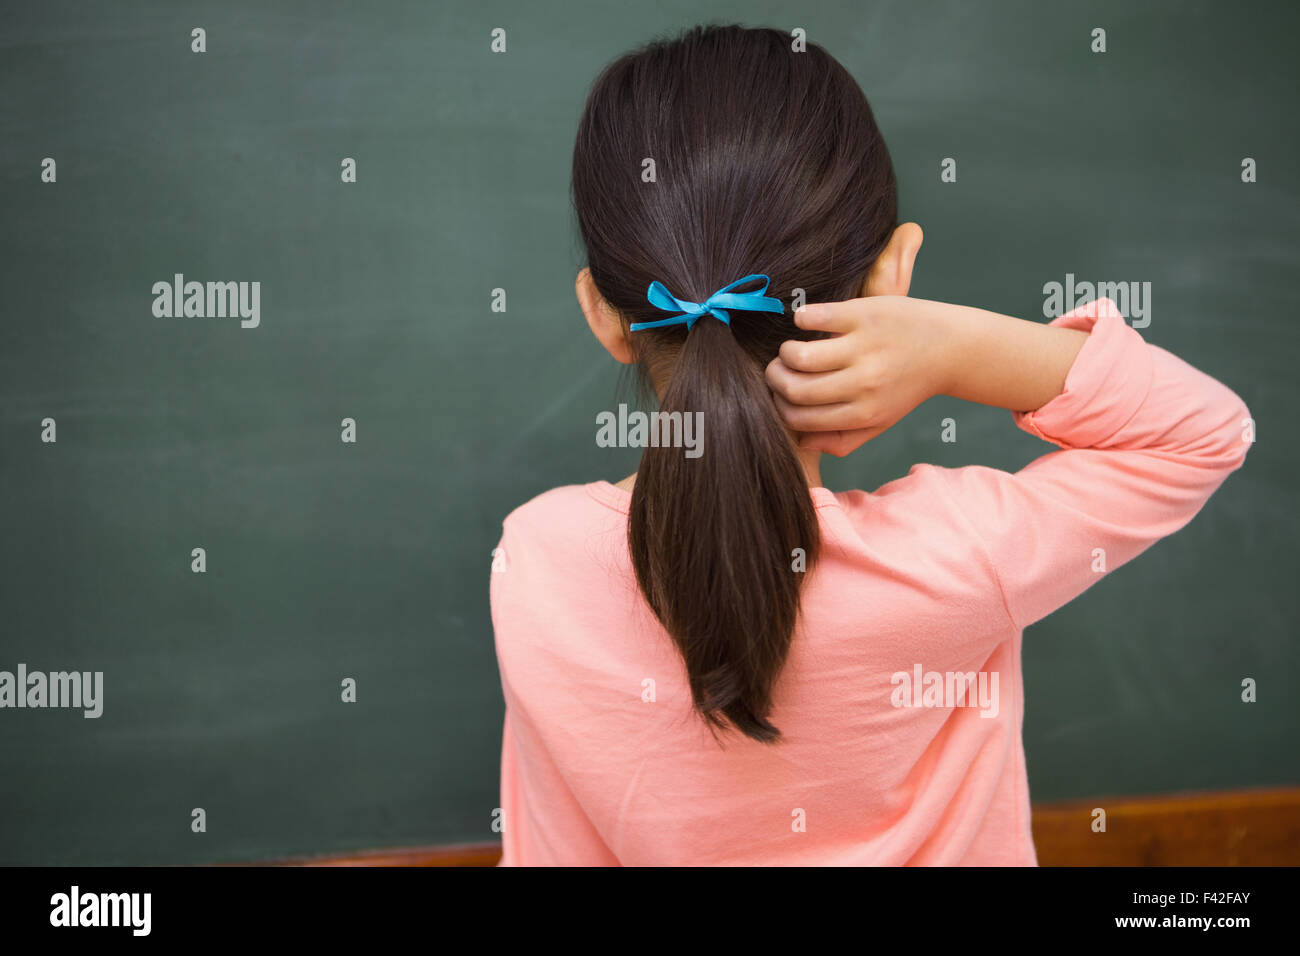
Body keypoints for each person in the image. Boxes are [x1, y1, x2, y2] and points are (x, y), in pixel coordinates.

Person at [489, 24, 1251, 865]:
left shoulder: (536, 566)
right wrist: (957, 349)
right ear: (894, 277)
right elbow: (1206, 431)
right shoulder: (960, 554)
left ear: (603, 313)